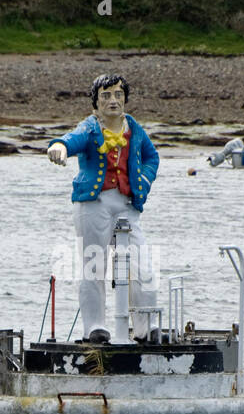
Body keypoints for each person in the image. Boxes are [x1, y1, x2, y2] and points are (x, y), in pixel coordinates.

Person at [47, 74, 160, 344]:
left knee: (142, 263)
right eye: (106, 95)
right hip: (93, 203)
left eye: (118, 95)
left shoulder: (133, 128)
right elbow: (71, 139)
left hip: (127, 204)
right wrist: (59, 146)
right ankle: (95, 327)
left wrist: (143, 180)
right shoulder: (90, 128)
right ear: (95, 103)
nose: (113, 101)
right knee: (94, 264)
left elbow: (151, 157)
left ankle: (146, 325)